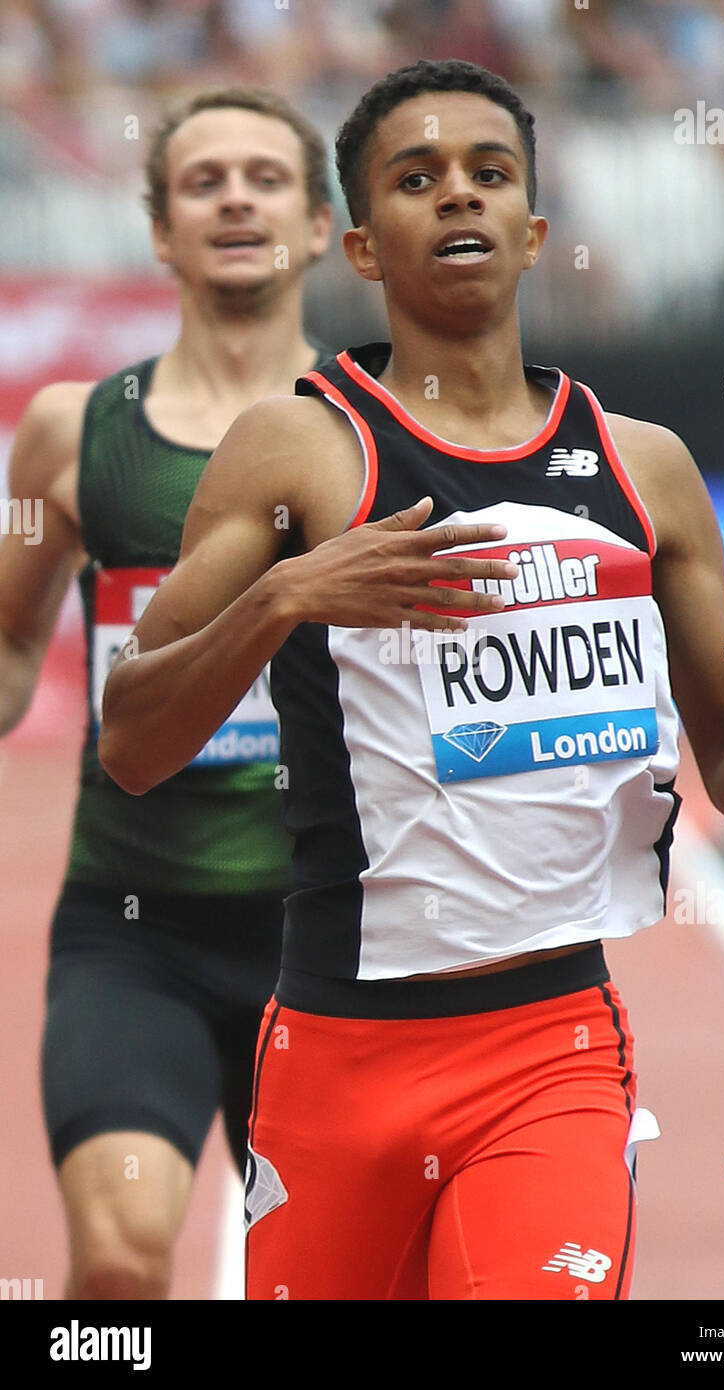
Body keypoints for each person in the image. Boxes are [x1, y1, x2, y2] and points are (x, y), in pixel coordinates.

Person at [99, 59, 724, 1301]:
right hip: (338, 1053)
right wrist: (287, 596)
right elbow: (130, 736)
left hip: (552, 1050)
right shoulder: (301, 447)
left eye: (488, 175)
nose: (459, 198)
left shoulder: (643, 469)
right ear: (361, 245)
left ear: (533, 228)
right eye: (416, 177)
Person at [0, 86, 333, 1300]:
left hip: (336, 944)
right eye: (203, 181)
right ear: (159, 232)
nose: (236, 197)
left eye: (264, 177)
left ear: (313, 223)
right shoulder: (70, 434)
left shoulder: (377, 428)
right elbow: (8, 641)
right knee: (118, 1264)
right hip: (131, 933)